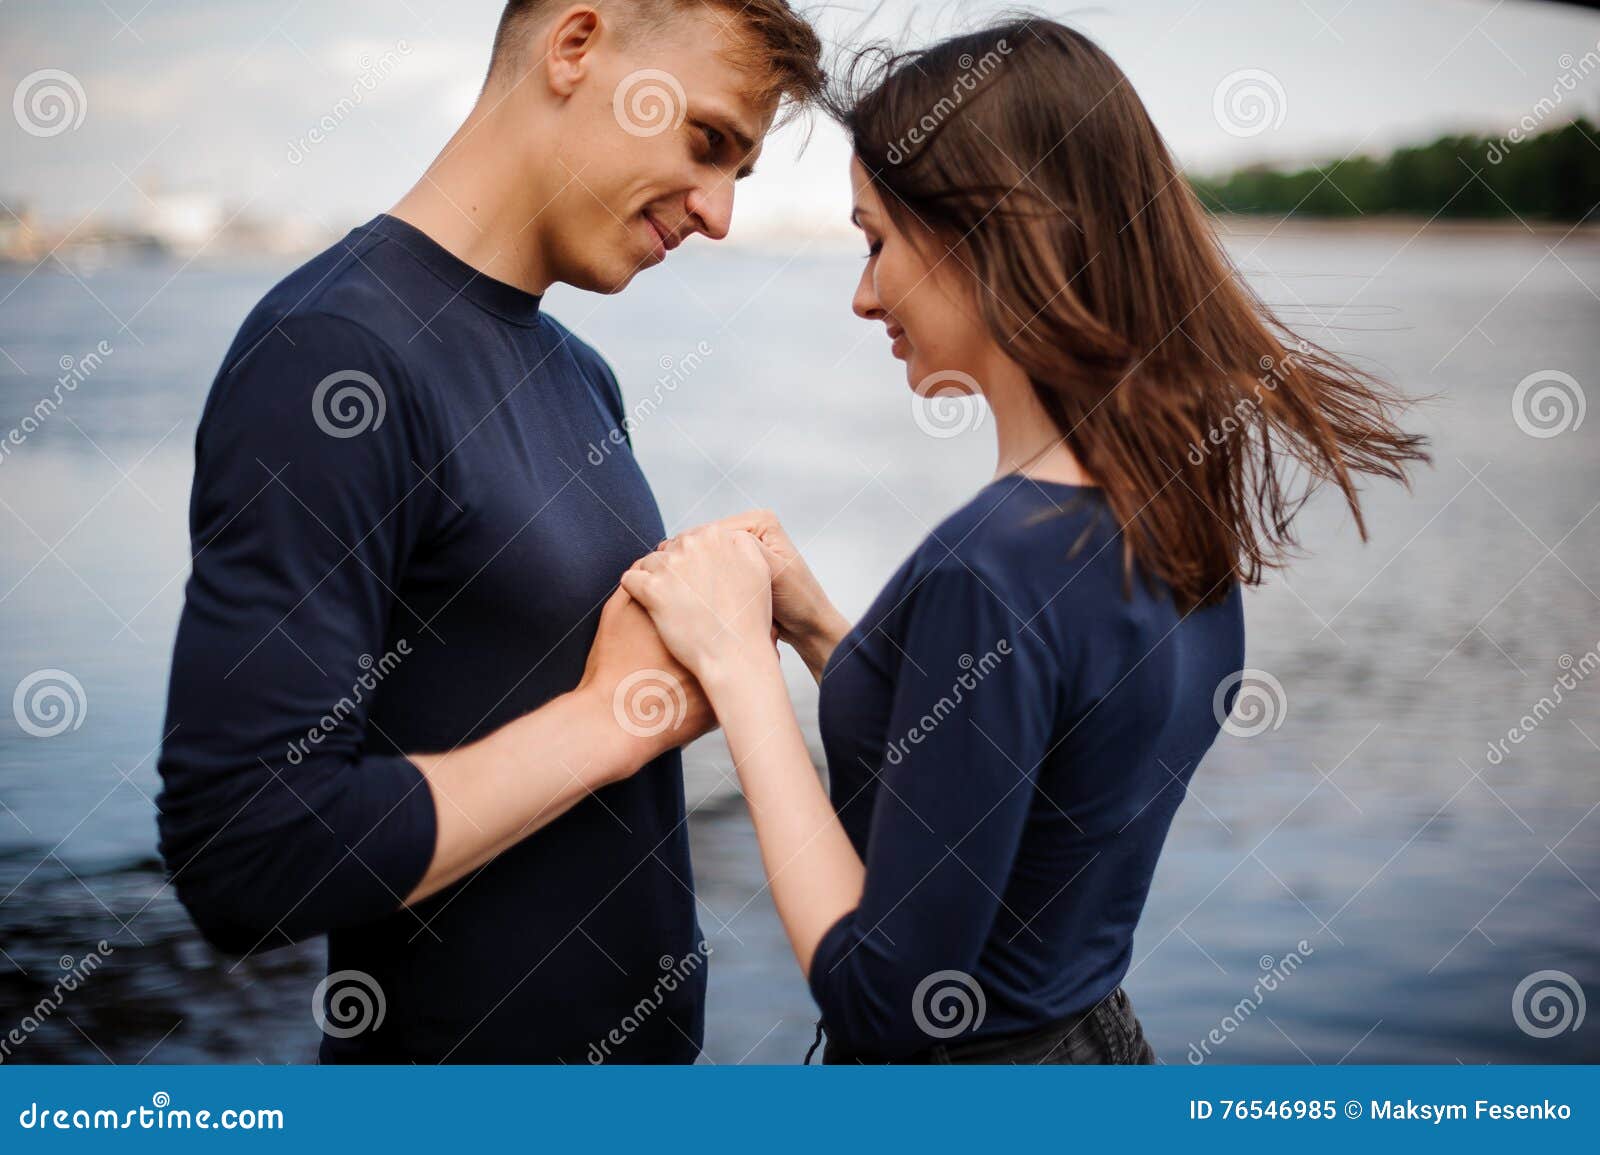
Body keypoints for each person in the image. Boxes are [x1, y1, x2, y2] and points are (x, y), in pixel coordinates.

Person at [622, 19, 1431, 1064]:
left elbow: (887, 1004)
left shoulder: (993, 564)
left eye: (876, 241)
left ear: (986, 233)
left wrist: (736, 670)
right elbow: (1017, 761)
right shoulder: (1176, 517)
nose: (863, 295)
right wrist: (822, 627)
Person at [154, 0, 822, 1063]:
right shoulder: (332, 356)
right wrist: (613, 720)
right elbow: (246, 853)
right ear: (575, 45)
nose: (719, 212)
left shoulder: (577, 373)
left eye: (742, 173)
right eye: (708, 144)